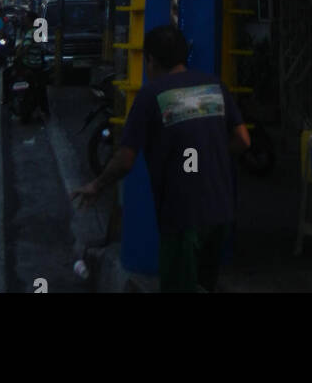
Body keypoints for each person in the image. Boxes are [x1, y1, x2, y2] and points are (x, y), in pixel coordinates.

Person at [73, 25, 250, 293]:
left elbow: (125, 159)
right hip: (221, 210)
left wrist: (96, 185)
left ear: (151, 60)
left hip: (183, 214)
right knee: (205, 285)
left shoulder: (149, 95)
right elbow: (243, 140)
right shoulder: (214, 86)